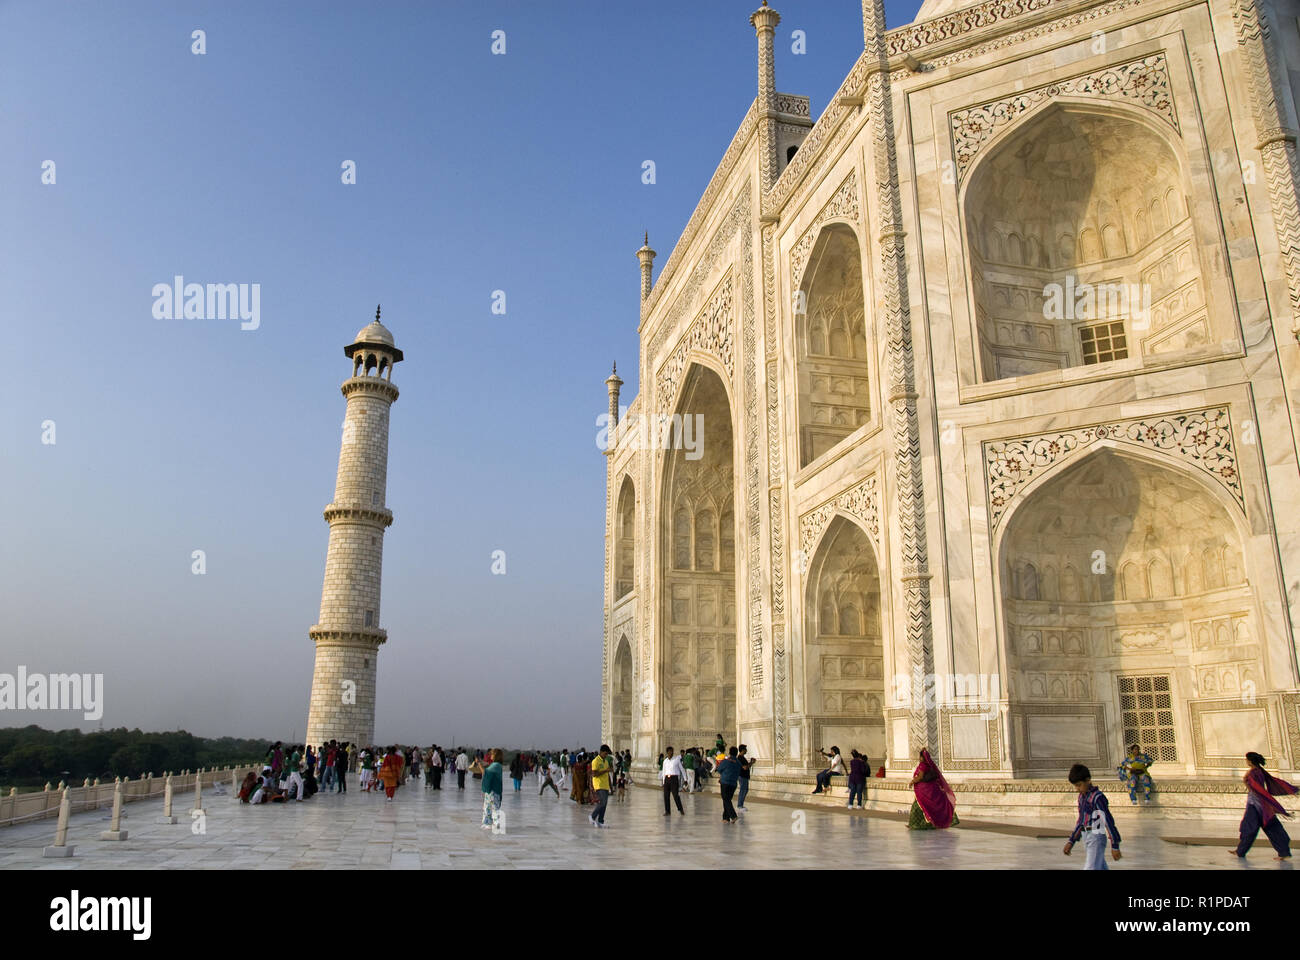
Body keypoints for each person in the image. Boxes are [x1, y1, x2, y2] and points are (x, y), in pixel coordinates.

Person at [1232, 751, 1297, 860]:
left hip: (1257, 804)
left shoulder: (1253, 773)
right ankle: (1240, 851)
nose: (1246, 761)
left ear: (1250, 761)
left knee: (1253, 827)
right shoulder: (1259, 771)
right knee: (1263, 827)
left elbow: (1257, 788)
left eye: (1247, 759)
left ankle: (1241, 851)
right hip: (1258, 803)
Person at [1064, 763, 1121, 868]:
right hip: (1087, 836)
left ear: (1088, 780)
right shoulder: (1082, 797)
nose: (1077, 788)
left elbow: (1107, 821)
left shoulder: (1097, 797)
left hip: (1096, 836)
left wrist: (1115, 845)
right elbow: (1081, 821)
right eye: (1075, 785)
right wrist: (1071, 841)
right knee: (1099, 865)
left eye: (1079, 785)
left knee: (1091, 866)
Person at [907, 749, 958, 829]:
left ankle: (917, 824)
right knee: (932, 806)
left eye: (920, 757)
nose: (919, 758)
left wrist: (912, 782)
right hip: (931, 789)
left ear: (922, 757)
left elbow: (920, 777)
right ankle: (929, 823)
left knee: (919, 806)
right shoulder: (930, 765)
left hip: (924, 790)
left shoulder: (922, 765)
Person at [589, 745, 613, 828]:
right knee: (602, 803)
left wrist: (611, 786)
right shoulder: (595, 761)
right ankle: (592, 816)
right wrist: (605, 770)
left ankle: (600, 821)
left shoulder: (605, 761)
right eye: (605, 753)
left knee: (605, 804)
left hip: (605, 785)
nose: (606, 755)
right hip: (599, 785)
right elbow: (594, 774)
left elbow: (607, 774)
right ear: (601, 752)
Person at [481, 748, 504, 831]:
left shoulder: (496, 765)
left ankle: (495, 823)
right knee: (488, 806)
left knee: (493, 807)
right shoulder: (495, 764)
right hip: (491, 790)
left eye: (492, 754)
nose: (490, 755)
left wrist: (480, 767)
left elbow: (486, 773)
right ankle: (488, 823)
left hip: (494, 790)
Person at [717, 747, 741, 823]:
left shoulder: (726, 761)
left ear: (730, 752)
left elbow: (719, 769)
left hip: (725, 782)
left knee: (726, 799)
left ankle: (733, 816)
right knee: (727, 800)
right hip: (733, 784)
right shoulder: (738, 763)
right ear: (736, 753)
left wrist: (724, 774)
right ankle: (725, 818)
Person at [660, 746, 685, 815]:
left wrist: (685, 779)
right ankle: (667, 811)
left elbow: (682, 769)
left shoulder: (676, 760)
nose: (671, 753)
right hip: (667, 779)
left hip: (674, 778)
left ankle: (680, 809)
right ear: (667, 752)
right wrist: (663, 781)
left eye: (672, 751)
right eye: (669, 751)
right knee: (666, 796)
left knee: (675, 795)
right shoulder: (665, 761)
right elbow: (664, 771)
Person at [736, 745, 753, 812]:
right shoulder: (740, 758)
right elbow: (745, 767)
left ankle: (741, 805)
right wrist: (751, 763)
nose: (746, 750)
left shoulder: (742, 757)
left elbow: (746, 766)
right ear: (742, 750)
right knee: (743, 790)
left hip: (744, 776)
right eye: (745, 749)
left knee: (745, 790)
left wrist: (751, 763)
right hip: (742, 776)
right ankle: (740, 805)